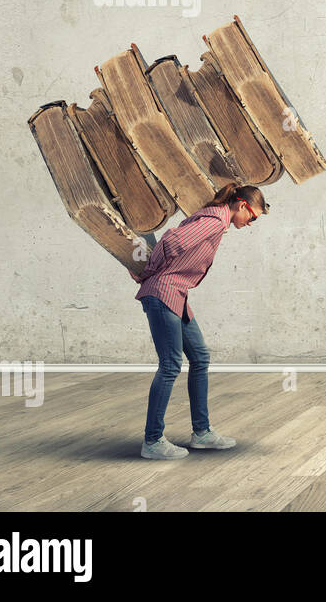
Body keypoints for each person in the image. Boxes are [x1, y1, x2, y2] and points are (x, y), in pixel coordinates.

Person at [129, 180, 268, 459]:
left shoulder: (217, 220)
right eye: (252, 217)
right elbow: (172, 241)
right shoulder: (217, 220)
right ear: (242, 205)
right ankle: (152, 441)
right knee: (170, 365)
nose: (251, 223)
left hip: (176, 295)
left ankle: (202, 434)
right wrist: (149, 273)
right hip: (163, 292)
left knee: (200, 357)